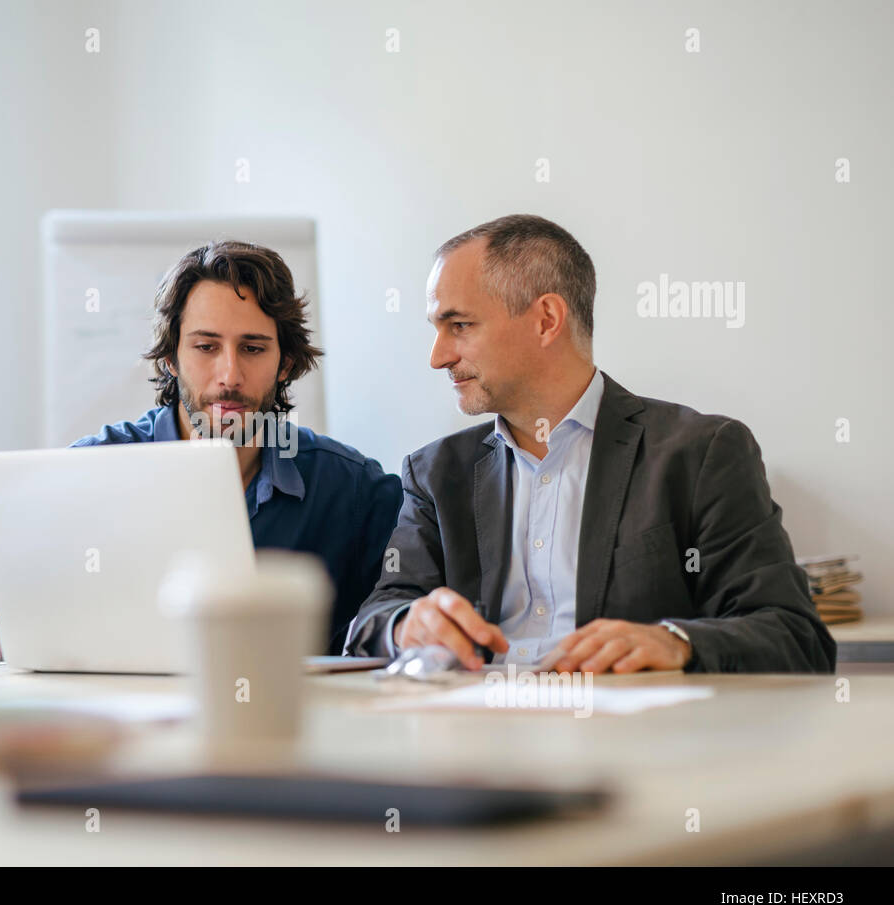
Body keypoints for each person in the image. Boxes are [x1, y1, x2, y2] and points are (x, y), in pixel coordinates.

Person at [344, 214, 834, 674]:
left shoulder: (702, 454)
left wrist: (675, 642)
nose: (438, 357)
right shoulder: (434, 473)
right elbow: (372, 621)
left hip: (630, 744)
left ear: (546, 319)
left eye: (460, 326)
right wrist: (404, 624)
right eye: (437, 329)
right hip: (473, 743)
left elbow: (795, 637)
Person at [0, 240, 402, 657]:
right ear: (170, 358)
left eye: (253, 348)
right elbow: (6, 627)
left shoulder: (356, 492)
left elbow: (403, 628)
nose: (229, 375)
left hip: (292, 720)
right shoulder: (91, 470)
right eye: (206, 347)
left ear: (285, 363)